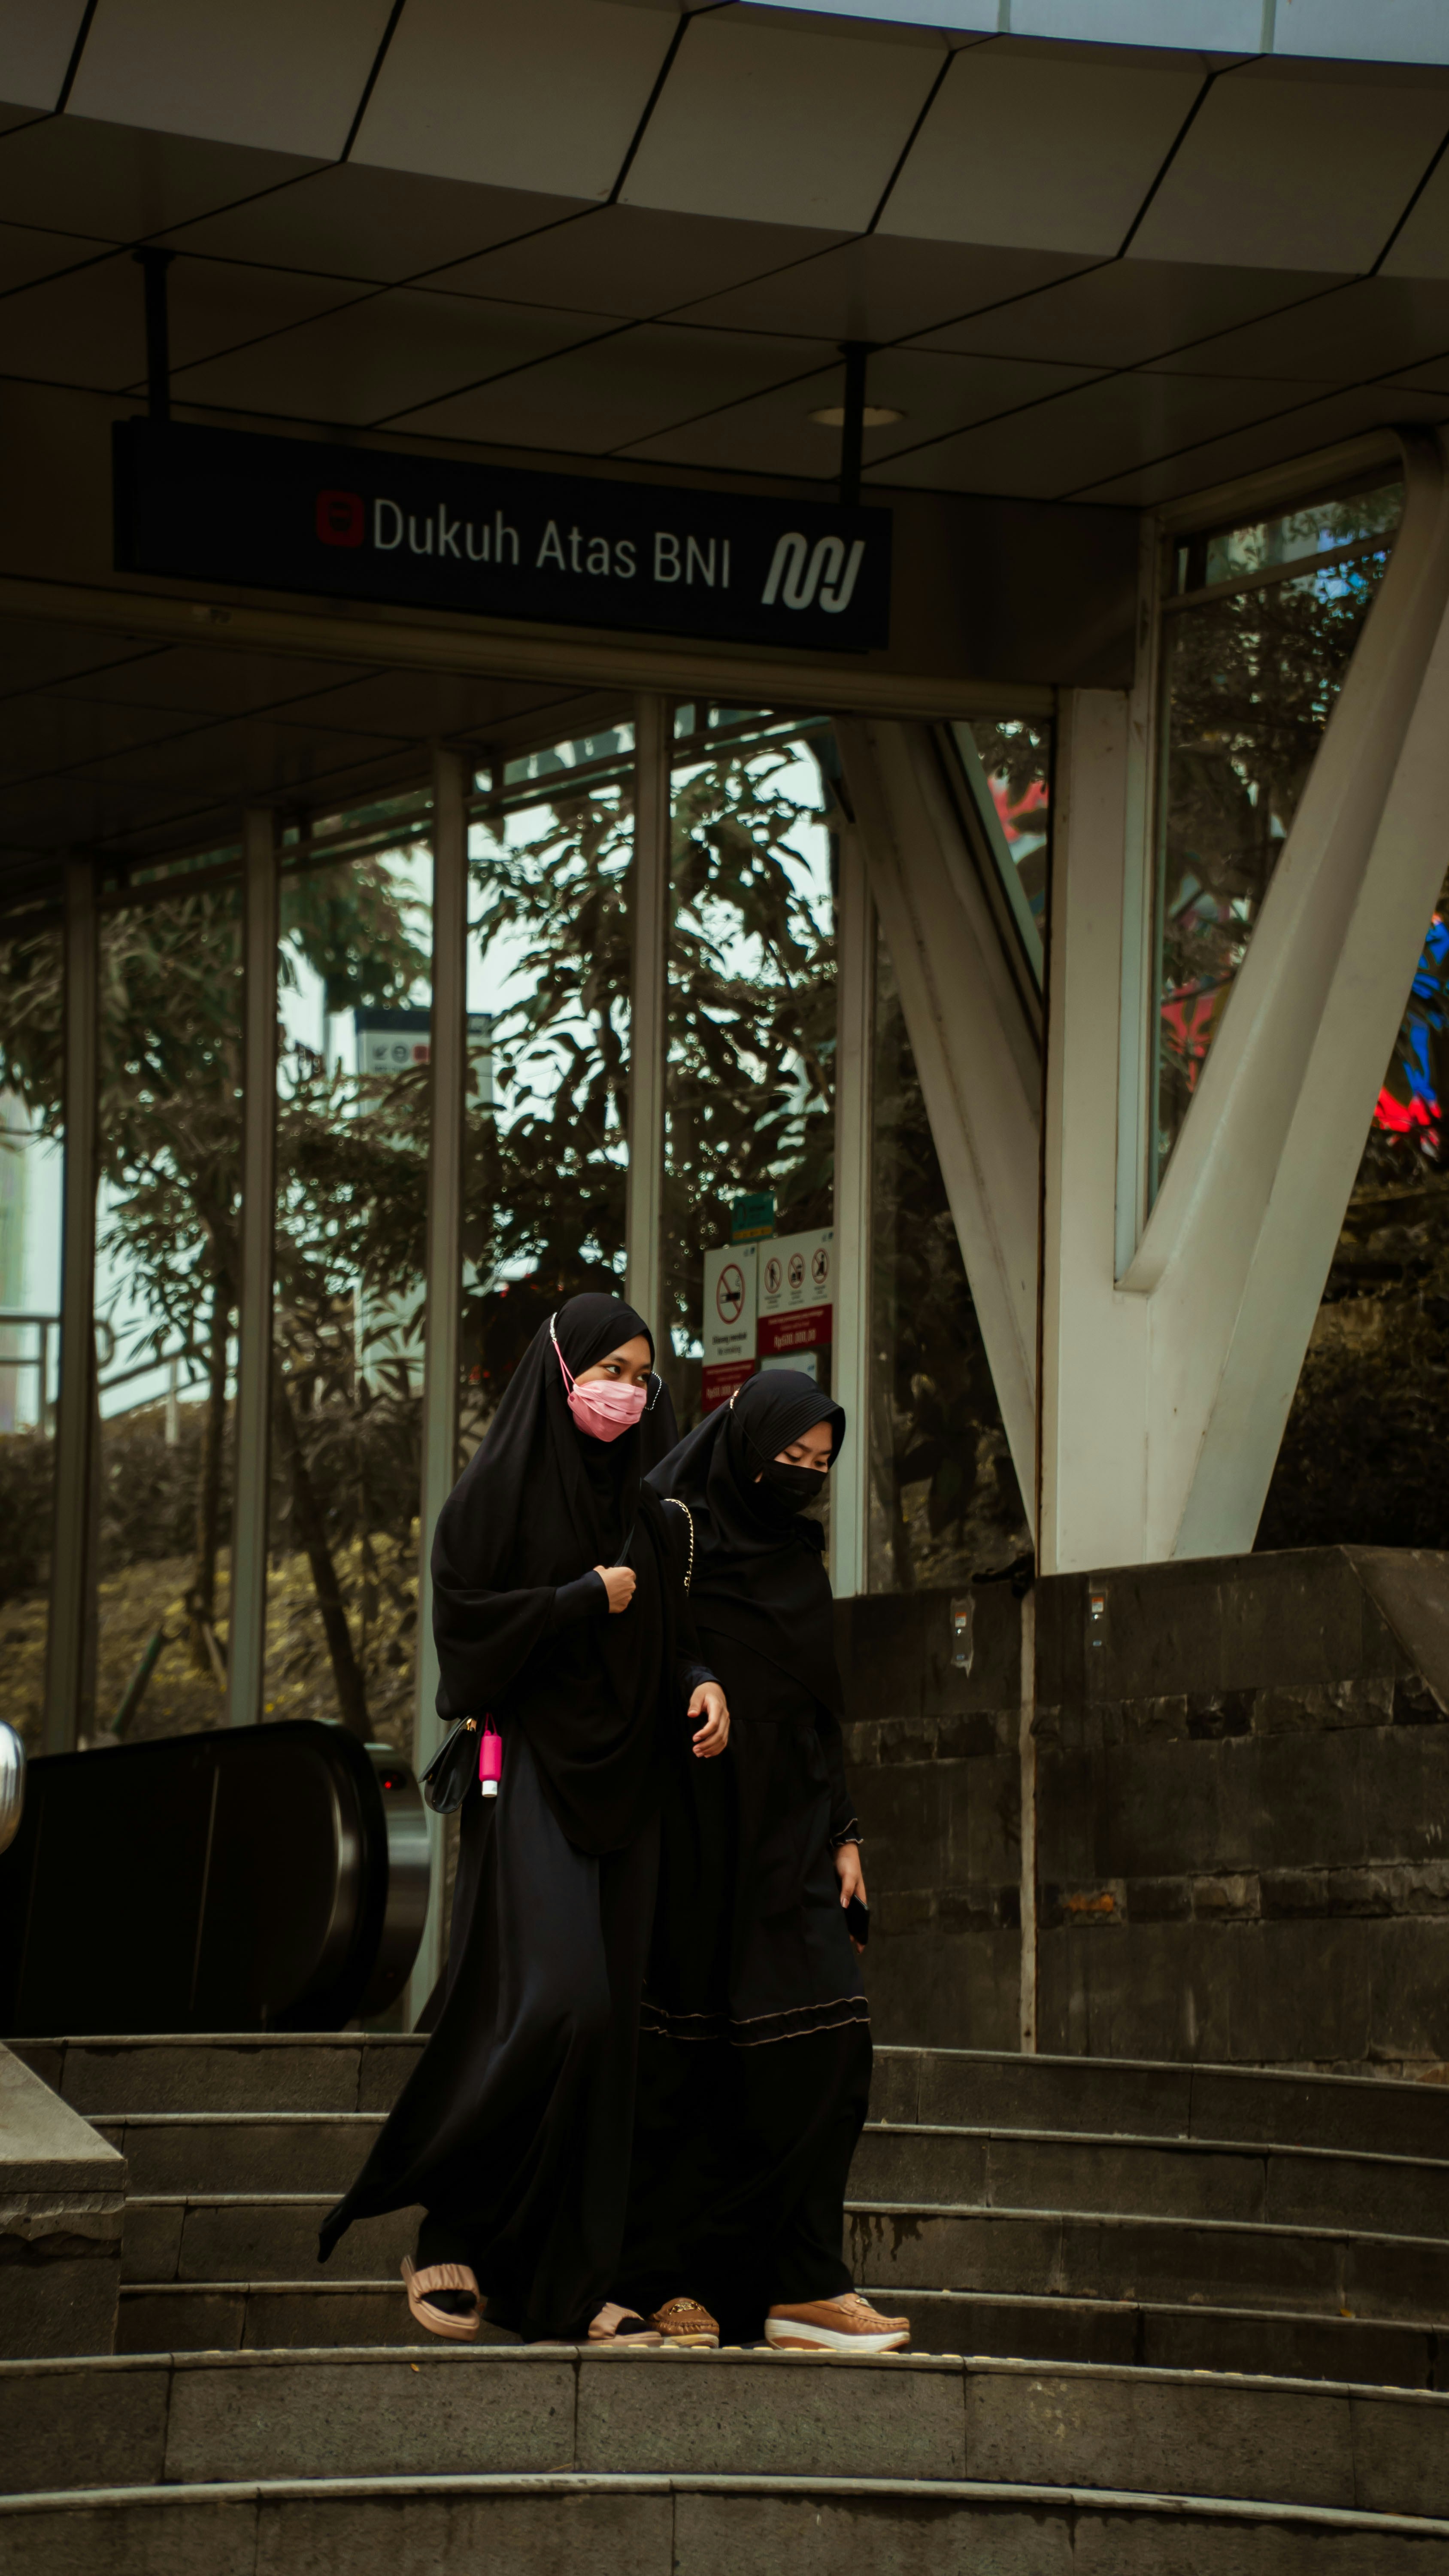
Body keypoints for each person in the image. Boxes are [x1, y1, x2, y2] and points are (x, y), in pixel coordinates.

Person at [317, 1291, 730, 2348]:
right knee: (562, 2007)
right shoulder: (492, 1498)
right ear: (561, 1371)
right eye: (611, 1370)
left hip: (633, 1784)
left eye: (642, 1376)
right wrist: (576, 1599)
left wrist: (699, 1681)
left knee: (610, 2036)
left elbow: (674, 1629)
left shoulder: (647, 1510)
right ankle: (454, 2218)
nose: (627, 1393)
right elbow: (467, 1639)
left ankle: (566, 2280)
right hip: (534, 1773)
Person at [619, 1369, 909, 2354]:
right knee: (689, 2065)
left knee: (830, 2049)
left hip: (792, 1833)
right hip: (697, 1832)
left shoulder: (797, 1555)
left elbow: (815, 1710)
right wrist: (695, 1679)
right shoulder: (671, 1528)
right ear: (743, 1448)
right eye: (787, 1460)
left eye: (818, 1467)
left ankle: (802, 2284)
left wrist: (845, 1832)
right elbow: (638, 1656)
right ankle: (671, 2285)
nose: (800, 1479)